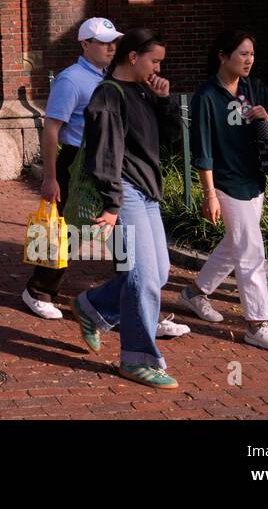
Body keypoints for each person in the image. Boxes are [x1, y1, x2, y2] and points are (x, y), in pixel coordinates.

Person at [177, 31, 268, 353]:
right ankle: (258, 324)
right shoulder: (206, 96)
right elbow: (202, 151)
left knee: (237, 243)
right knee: (250, 251)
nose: (249, 60)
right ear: (223, 55)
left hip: (254, 179)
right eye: (242, 54)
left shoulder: (254, 87)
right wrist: (209, 194)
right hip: (227, 182)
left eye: (251, 54)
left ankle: (194, 293)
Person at [73, 28, 183, 389]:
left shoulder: (141, 91)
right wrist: (112, 204)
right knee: (143, 277)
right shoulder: (108, 95)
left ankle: (93, 307)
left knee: (160, 273)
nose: (158, 68)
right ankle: (137, 359)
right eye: (154, 61)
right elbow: (104, 154)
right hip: (126, 193)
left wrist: (164, 100)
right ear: (133, 57)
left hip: (147, 192)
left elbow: (168, 141)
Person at [23, 17, 122, 320]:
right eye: (104, 42)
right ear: (85, 44)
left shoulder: (111, 77)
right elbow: (52, 129)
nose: (111, 47)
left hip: (106, 162)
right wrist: (51, 177)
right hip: (76, 161)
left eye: (113, 41)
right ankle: (38, 290)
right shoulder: (71, 79)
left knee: (122, 229)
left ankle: (129, 290)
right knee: (63, 229)